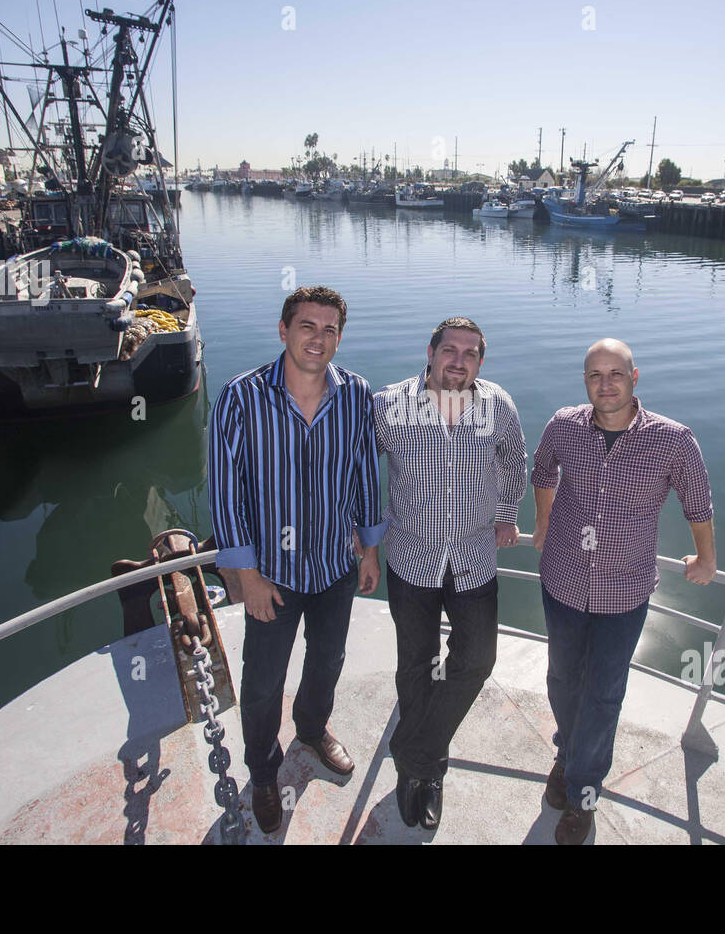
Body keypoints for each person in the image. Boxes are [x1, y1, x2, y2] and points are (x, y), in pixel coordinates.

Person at [208, 286, 386, 836]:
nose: (319, 338)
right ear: (283, 330)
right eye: (307, 326)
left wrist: (370, 546)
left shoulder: (355, 393)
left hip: (334, 565)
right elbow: (224, 490)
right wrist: (247, 575)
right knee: (262, 682)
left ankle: (311, 730)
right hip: (272, 577)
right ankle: (263, 773)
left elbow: (364, 474)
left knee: (327, 660)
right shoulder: (240, 397)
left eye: (331, 329)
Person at [531, 338, 716, 845]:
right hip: (564, 580)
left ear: (635, 378)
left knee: (603, 694)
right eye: (595, 375)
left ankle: (583, 793)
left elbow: (697, 498)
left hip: (624, 591)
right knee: (563, 682)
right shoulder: (565, 425)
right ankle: (567, 754)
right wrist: (544, 524)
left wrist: (706, 558)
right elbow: (542, 470)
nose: (605, 384)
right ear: (585, 381)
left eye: (616, 373)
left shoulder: (673, 440)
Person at [374, 317, 527, 830]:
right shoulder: (389, 404)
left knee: (477, 660)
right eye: (450, 350)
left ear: (481, 361)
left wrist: (506, 511)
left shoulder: (497, 405)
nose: (458, 361)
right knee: (415, 663)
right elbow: (352, 469)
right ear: (431, 351)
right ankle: (426, 773)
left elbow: (514, 460)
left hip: (473, 557)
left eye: (470, 353)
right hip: (412, 558)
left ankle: (414, 753)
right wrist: (364, 537)